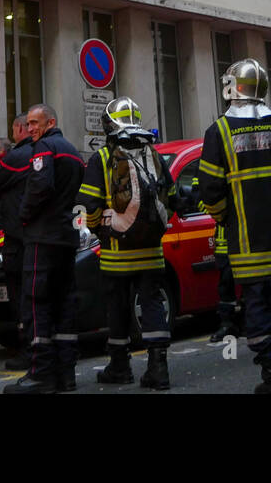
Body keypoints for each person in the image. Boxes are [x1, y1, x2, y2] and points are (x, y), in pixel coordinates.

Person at [197, 58, 271, 394]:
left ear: (233, 87)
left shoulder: (219, 130)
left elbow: (209, 189)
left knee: (258, 309)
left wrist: (227, 219)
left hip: (248, 244)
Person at [78, 97, 177, 389]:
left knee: (118, 308)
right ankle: (159, 369)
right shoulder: (152, 154)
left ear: (109, 124)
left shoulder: (103, 158)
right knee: (152, 304)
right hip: (151, 252)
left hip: (116, 253)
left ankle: (119, 366)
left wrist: (101, 231)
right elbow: (171, 198)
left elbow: (89, 205)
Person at [4, 104, 85, 394]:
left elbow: (39, 187)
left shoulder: (44, 149)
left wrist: (24, 216)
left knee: (37, 303)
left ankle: (40, 373)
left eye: (36, 123)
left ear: (51, 121)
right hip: (66, 237)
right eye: (28, 124)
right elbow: (81, 197)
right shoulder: (74, 153)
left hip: (43, 237)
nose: (30, 129)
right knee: (65, 302)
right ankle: (66, 373)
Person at [0, 116, 34, 369]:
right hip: (40, 237)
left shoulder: (14, 158)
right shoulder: (46, 153)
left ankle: (27, 349)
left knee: (21, 296)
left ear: (19, 129)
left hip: (16, 238)